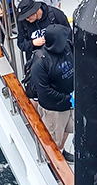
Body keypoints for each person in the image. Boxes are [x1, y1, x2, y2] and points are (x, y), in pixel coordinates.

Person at [28, 23, 74, 160]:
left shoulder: (67, 47)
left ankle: (61, 151)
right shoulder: (40, 63)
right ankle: (52, 162)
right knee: (53, 139)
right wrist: (69, 99)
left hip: (70, 104)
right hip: (54, 110)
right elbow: (45, 93)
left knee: (67, 129)